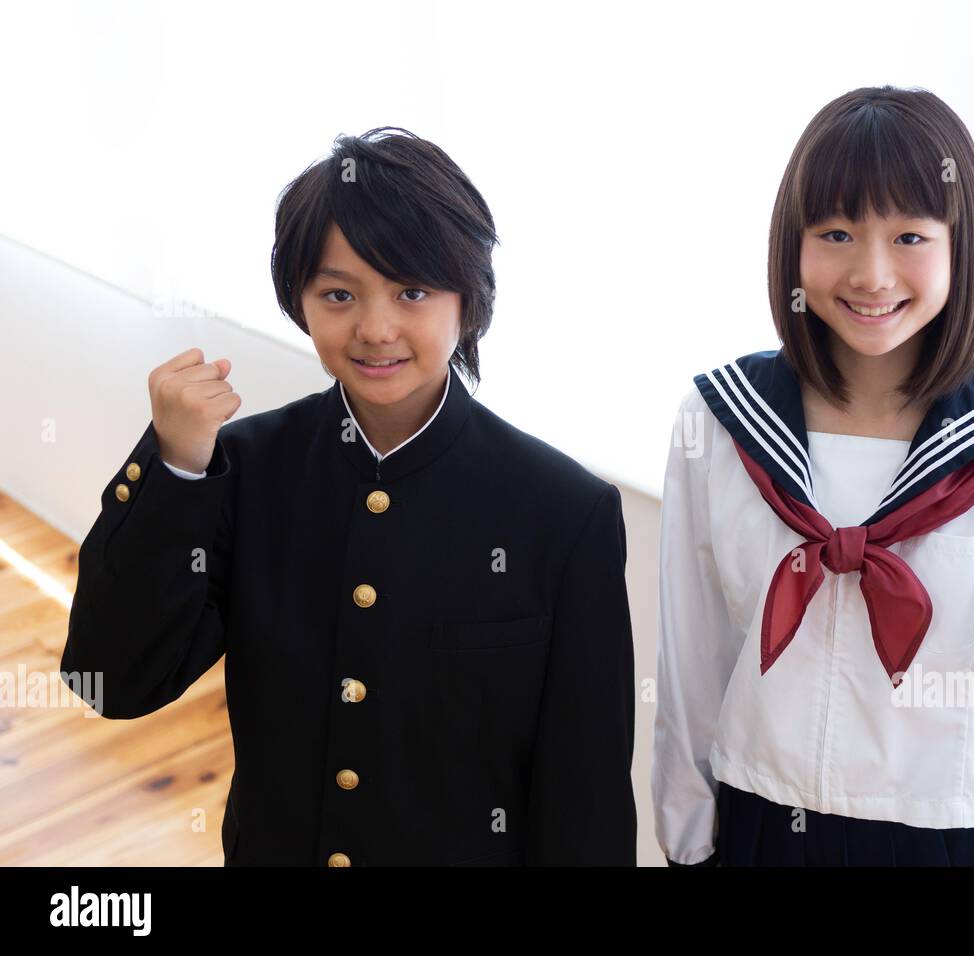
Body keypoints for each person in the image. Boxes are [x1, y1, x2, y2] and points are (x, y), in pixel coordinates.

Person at [61, 127, 637, 866]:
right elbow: (109, 681)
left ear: (470, 298)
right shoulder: (241, 469)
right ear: (299, 300)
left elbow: (583, 804)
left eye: (413, 291)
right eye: (339, 293)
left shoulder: (564, 511)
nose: (375, 328)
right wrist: (173, 466)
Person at [651, 87, 974, 867]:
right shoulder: (720, 420)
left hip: (947, 839)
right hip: (762, 827)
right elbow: (693, 658)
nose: (872, 272)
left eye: (911, 236)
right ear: (794, 244)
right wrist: (687, 841)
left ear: (964, 246)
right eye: (837, 232)